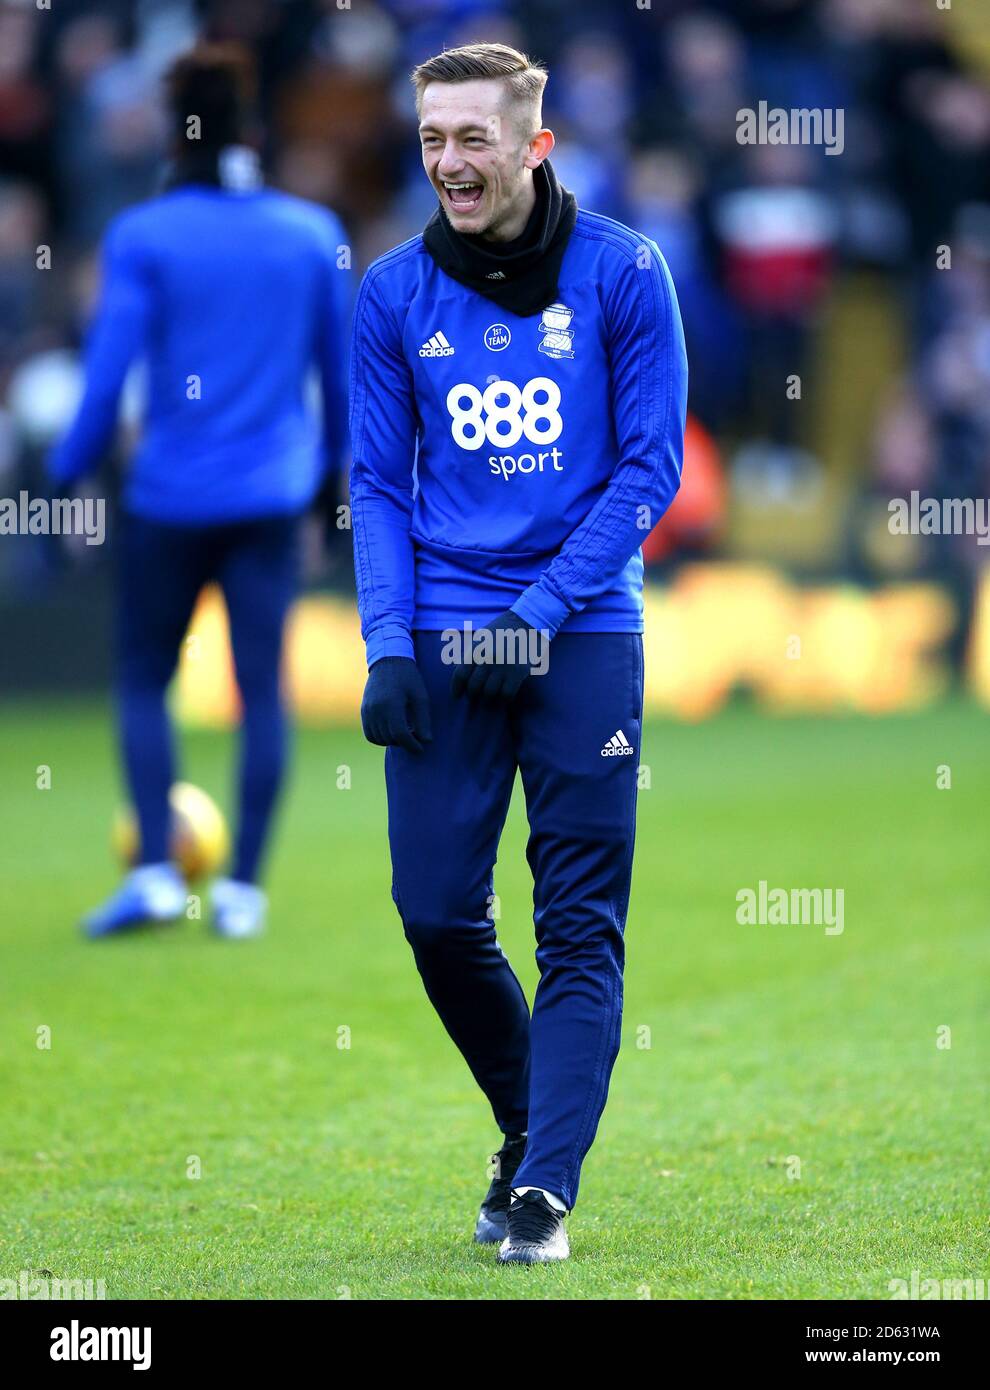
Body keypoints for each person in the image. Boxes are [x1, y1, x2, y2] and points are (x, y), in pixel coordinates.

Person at [349, 43, 687, 1262]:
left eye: (472, 138)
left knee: (579, 926)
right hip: (442, 626)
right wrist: (390, 644)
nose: (448, 162)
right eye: (432, 139)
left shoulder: (627, 274)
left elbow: (651, 468)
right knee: (437, 914)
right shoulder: (390, 293)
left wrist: (539, 612)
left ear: (534, 144)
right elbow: (378, 484)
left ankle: (542, 1189)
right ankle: (524, 1121)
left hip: (583, 626)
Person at [48, 45, 350, 940]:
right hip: (270, 499)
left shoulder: (143, 236)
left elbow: (104, 384)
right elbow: (340, 386)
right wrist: (331, 495)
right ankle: (243, 892)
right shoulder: (309, 233)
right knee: (262, 689)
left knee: (144, 678)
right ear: (253, 134)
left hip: (169, 499)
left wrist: (68, 477)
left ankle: (150, 876)